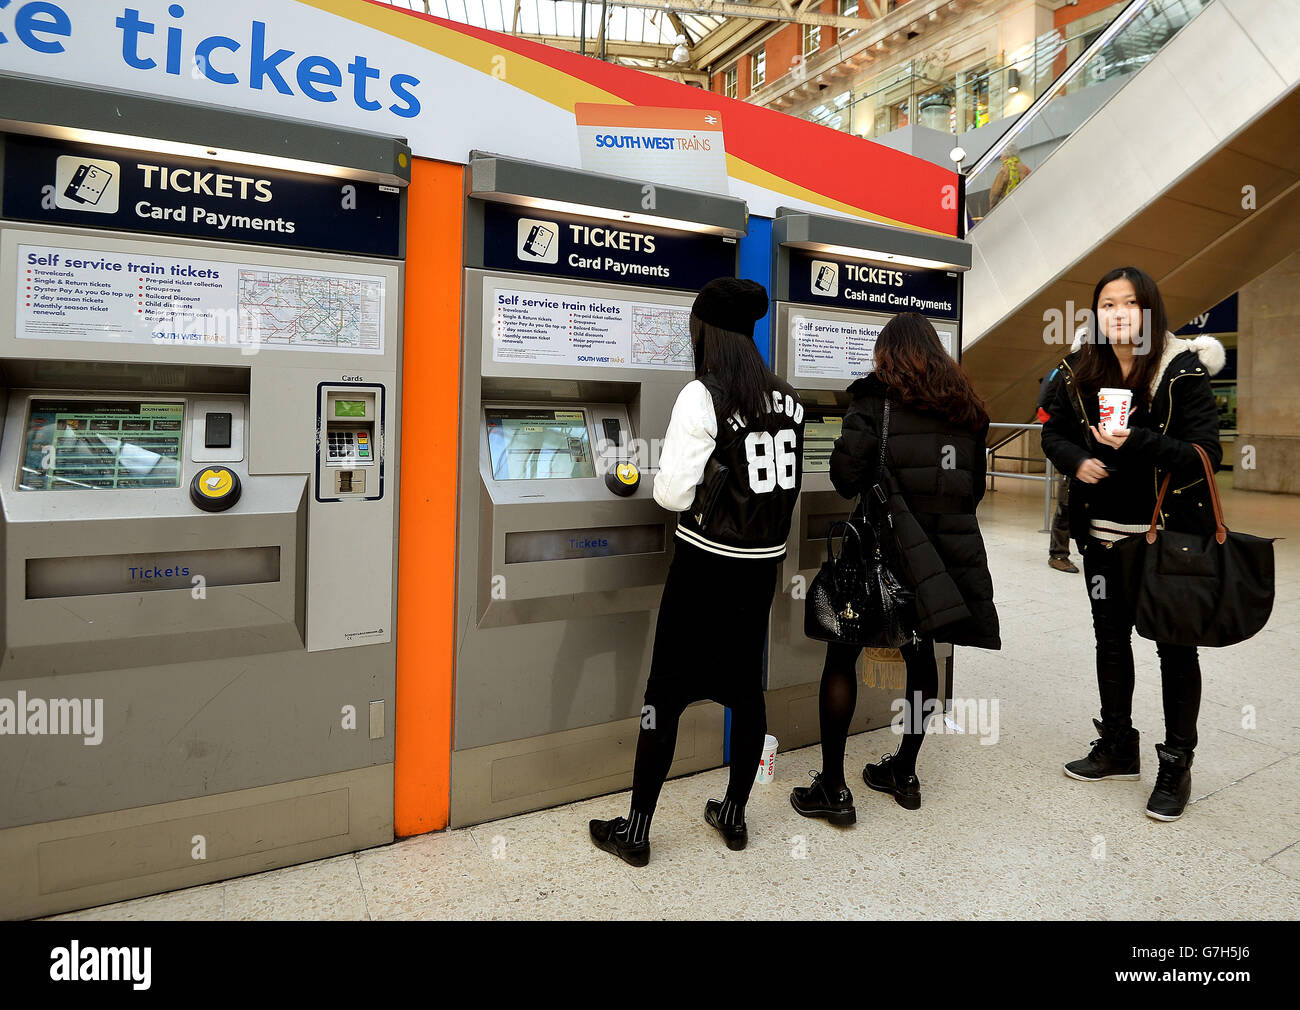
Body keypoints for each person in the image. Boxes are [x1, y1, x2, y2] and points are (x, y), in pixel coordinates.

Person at [589, 278, 804, 865]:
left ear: (704, 331)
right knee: (745, 690)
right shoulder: (789, 399)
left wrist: (635, 476)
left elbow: (672, 494)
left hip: (705, 567)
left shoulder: (701, 396)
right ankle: (734, 816)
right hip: (760, 571)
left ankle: (636, 831)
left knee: (665, 693)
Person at [790, 313, 1000, 824]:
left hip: (880, 551)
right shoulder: (967, 410)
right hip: (939, 557)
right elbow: (970, 490)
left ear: (887, 355)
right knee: (923, 656)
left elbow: (845, 476)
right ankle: (904, 771)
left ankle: (834, 788)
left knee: (842, 657)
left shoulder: (874, 401)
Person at [1041, 266, 1224, 822]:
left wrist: (1138, 441)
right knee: (1110, 639)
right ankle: (1119, 744)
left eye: (1130, 304)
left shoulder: (1181, 370)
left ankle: (1176, 762)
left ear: (1149, 312)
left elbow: (1205, 456)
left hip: (1166, 537)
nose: (1118, 313)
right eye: (1107, 304)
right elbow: (1050, 430)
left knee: (1174, 646)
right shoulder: (1078, 369)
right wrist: (1077, 460)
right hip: (1101, 537)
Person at [1038, 366, 1078, 573]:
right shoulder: (1065, 371)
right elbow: (1044, 411)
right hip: (1071, 448)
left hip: (1088, 447)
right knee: (1066, 503)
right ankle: (1058, 553)